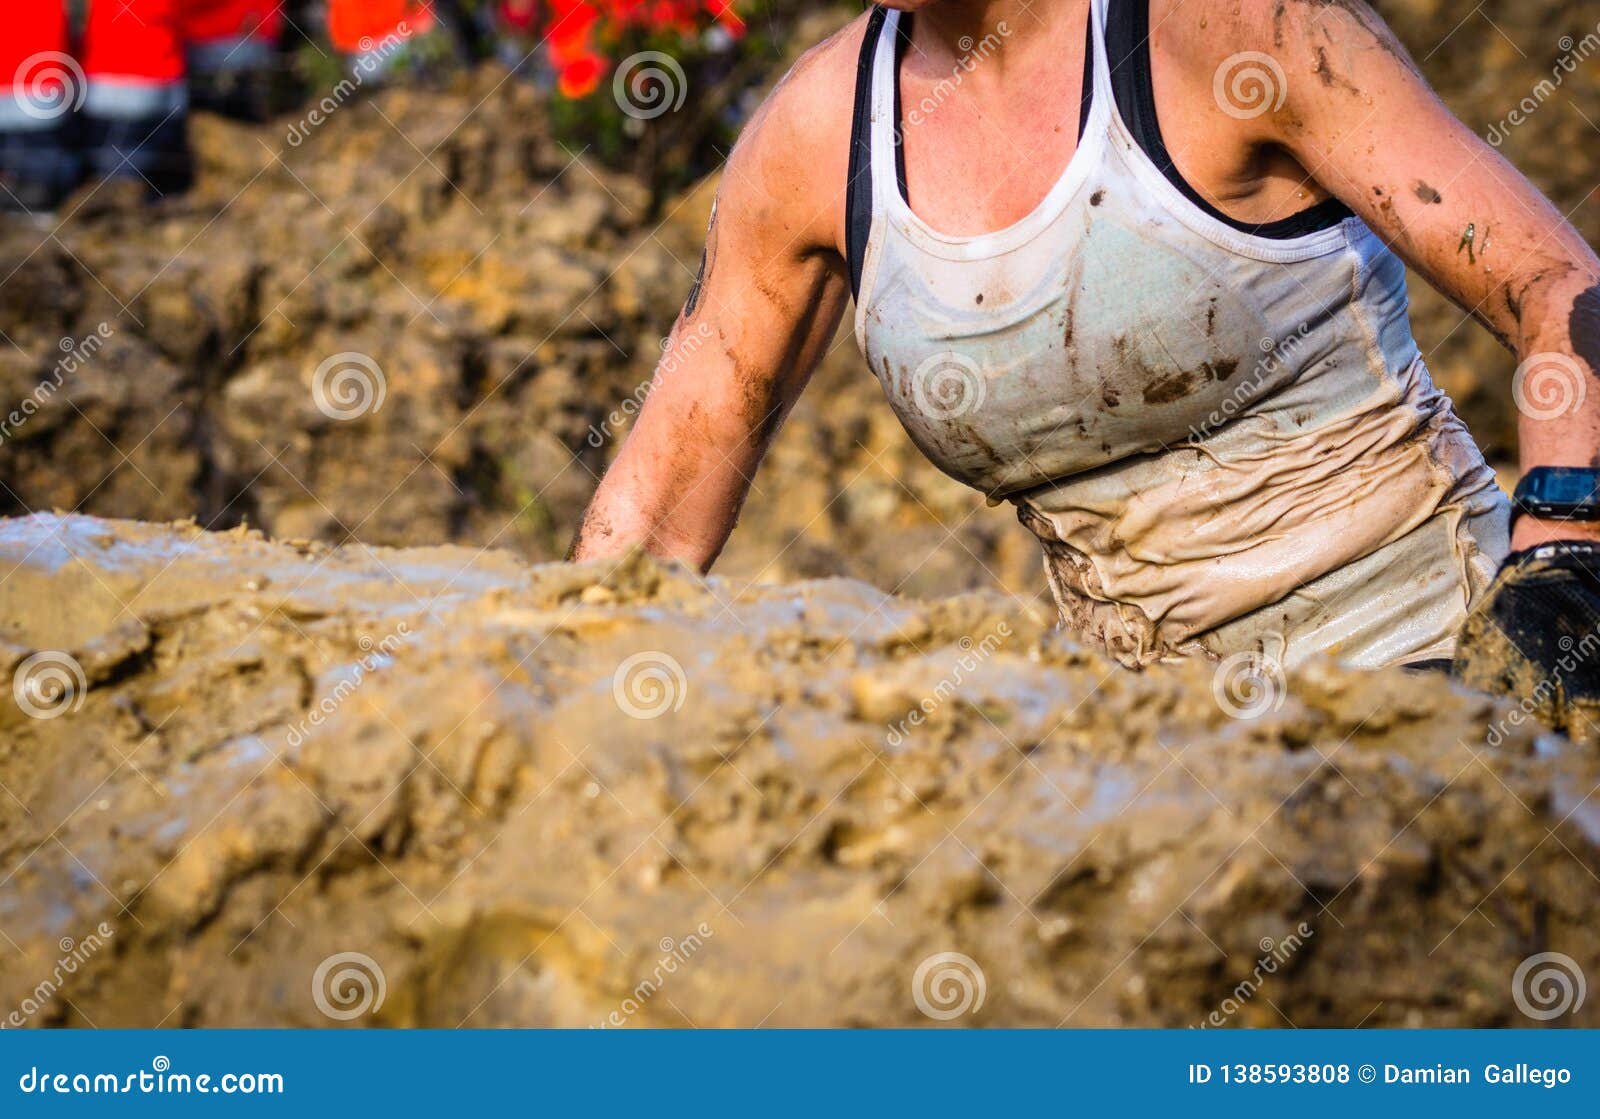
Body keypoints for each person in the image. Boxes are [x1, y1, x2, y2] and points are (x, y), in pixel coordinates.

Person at [569, 0, 1600, 725]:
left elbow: (1558, 289)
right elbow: (655, 510)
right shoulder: (815, 132)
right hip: (1147, 759)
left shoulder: (1232, 31)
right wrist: (559, 693)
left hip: (1444, 680)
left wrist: (1563, 549)